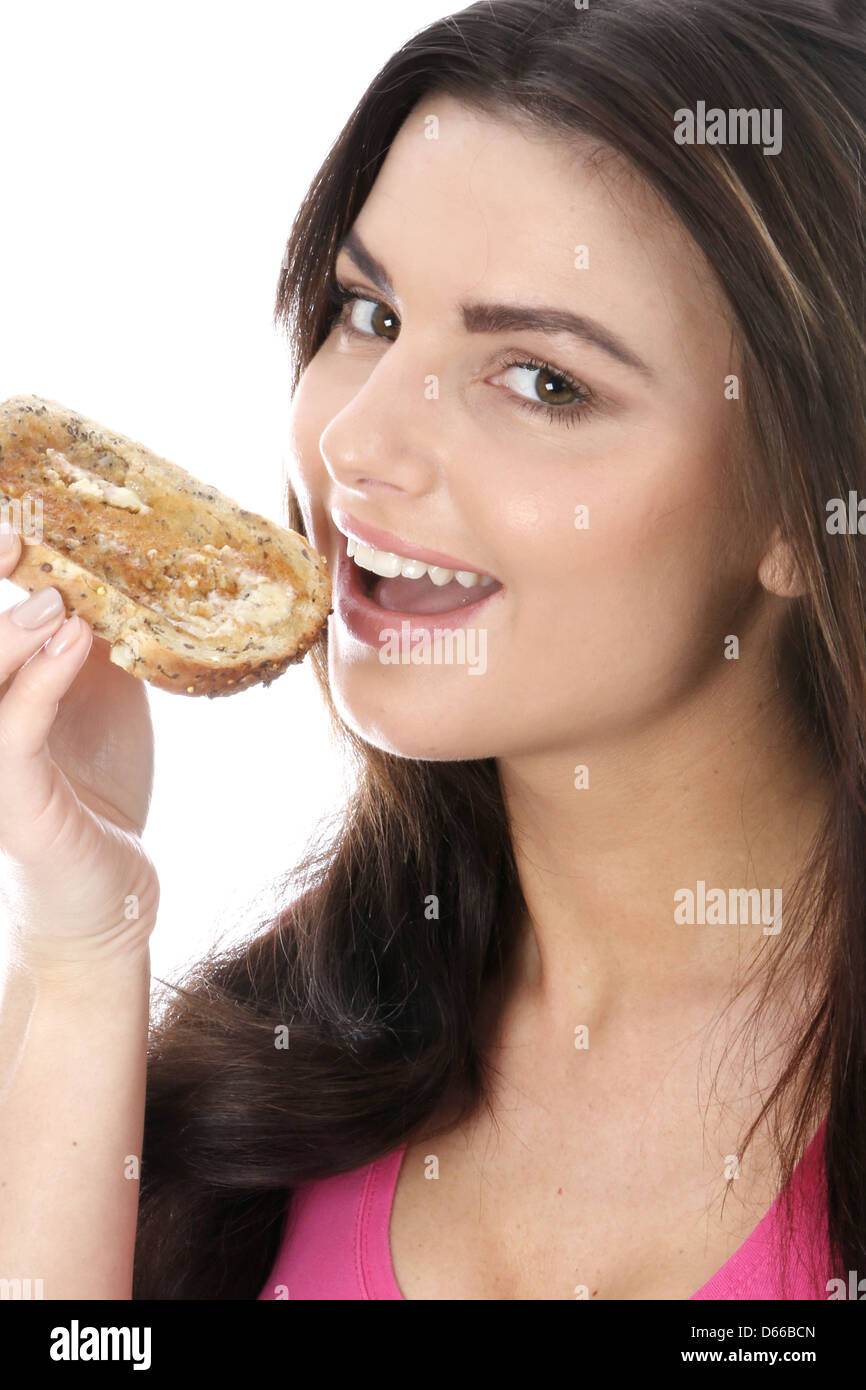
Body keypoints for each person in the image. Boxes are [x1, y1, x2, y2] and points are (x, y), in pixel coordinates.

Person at [1, 0, 864, 1301]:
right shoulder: (272, 1052)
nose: (356, 444)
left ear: (806, 507)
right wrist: (83, 943)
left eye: (541, 380)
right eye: (369, 313)